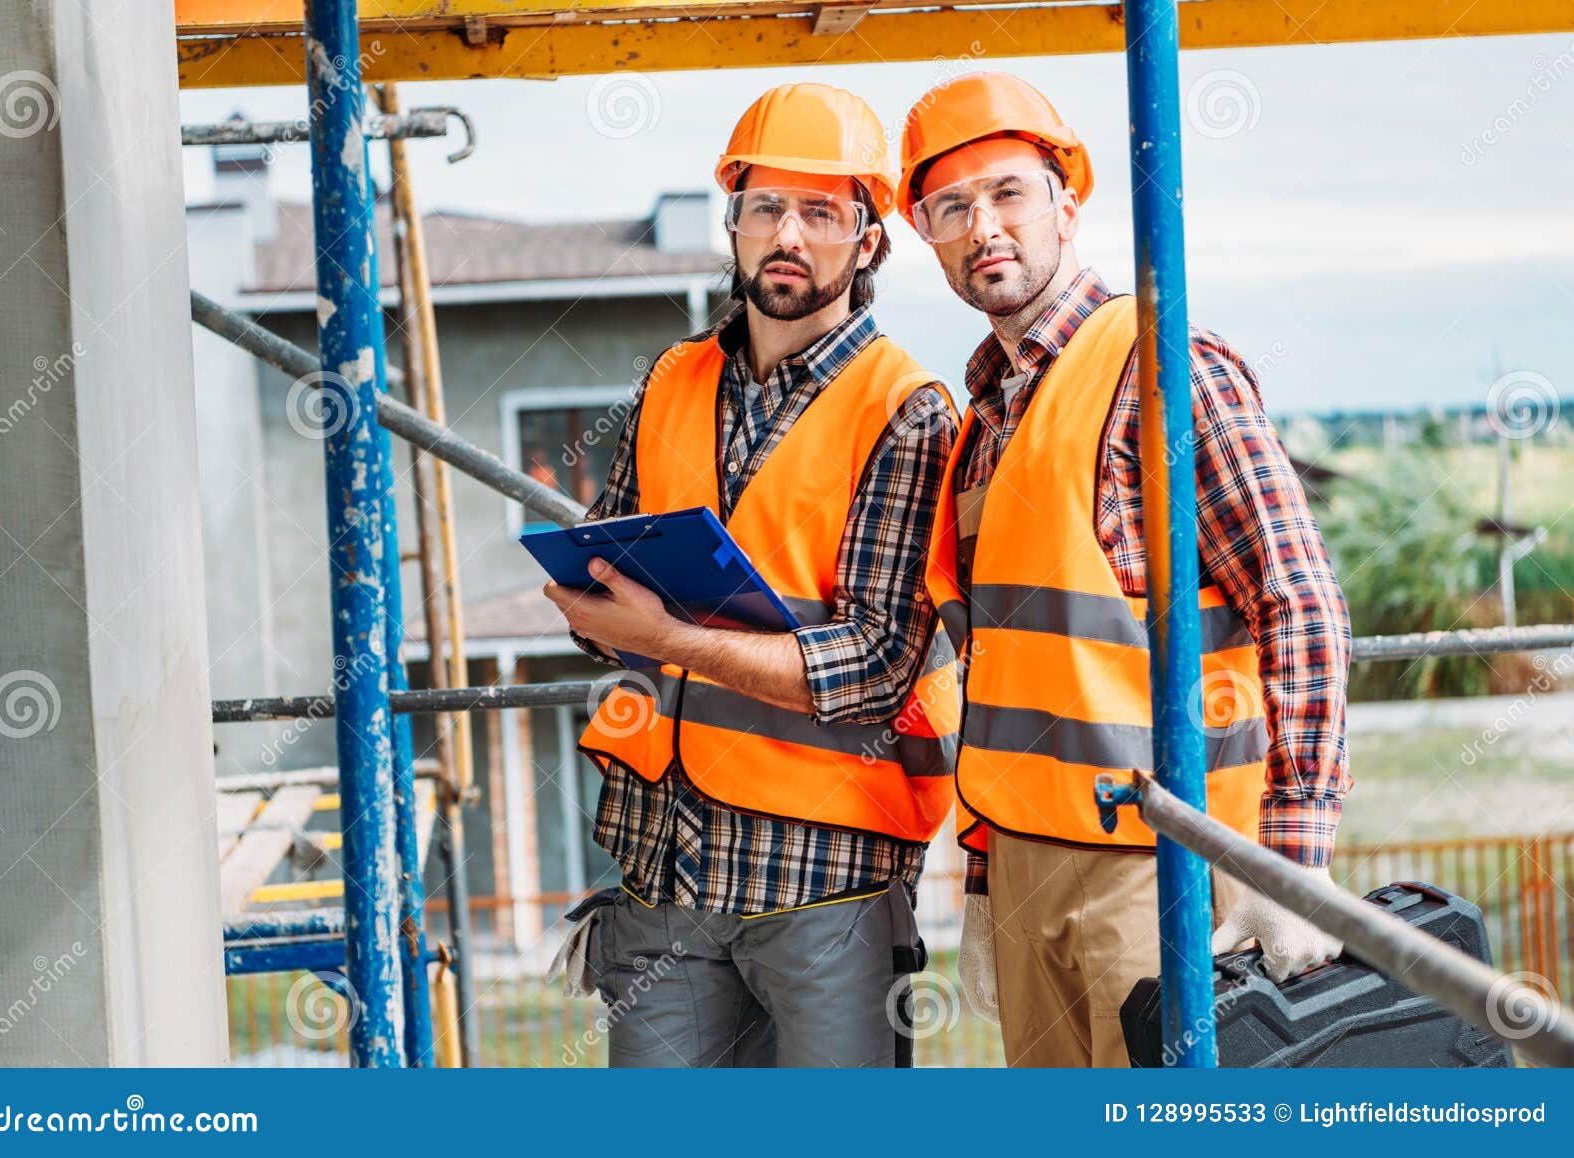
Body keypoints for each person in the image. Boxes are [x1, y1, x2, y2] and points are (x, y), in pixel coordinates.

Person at [899, 72, 1354, 1067]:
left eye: (1008, 193)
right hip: (1025, 862)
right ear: (925, 234)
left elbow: (1298, 601)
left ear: (1067, 203)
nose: (983, 227)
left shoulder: (1165, 367)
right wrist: (986, 877)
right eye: (950, 208)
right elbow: (1008, 678)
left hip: (1163, 860)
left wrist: (1293, 864)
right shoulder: (983, 423)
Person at [542, 82, 961, 1068]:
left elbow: (874, 666)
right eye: (765, 206)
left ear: (867, 240)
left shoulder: (905, 409)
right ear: (733, 222)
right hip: (663, 862)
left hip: (824, 879)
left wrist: (666, 639)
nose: (788, 234)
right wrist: (592, 606)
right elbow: (609, 574)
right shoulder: (673, 379)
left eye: (821, 212)